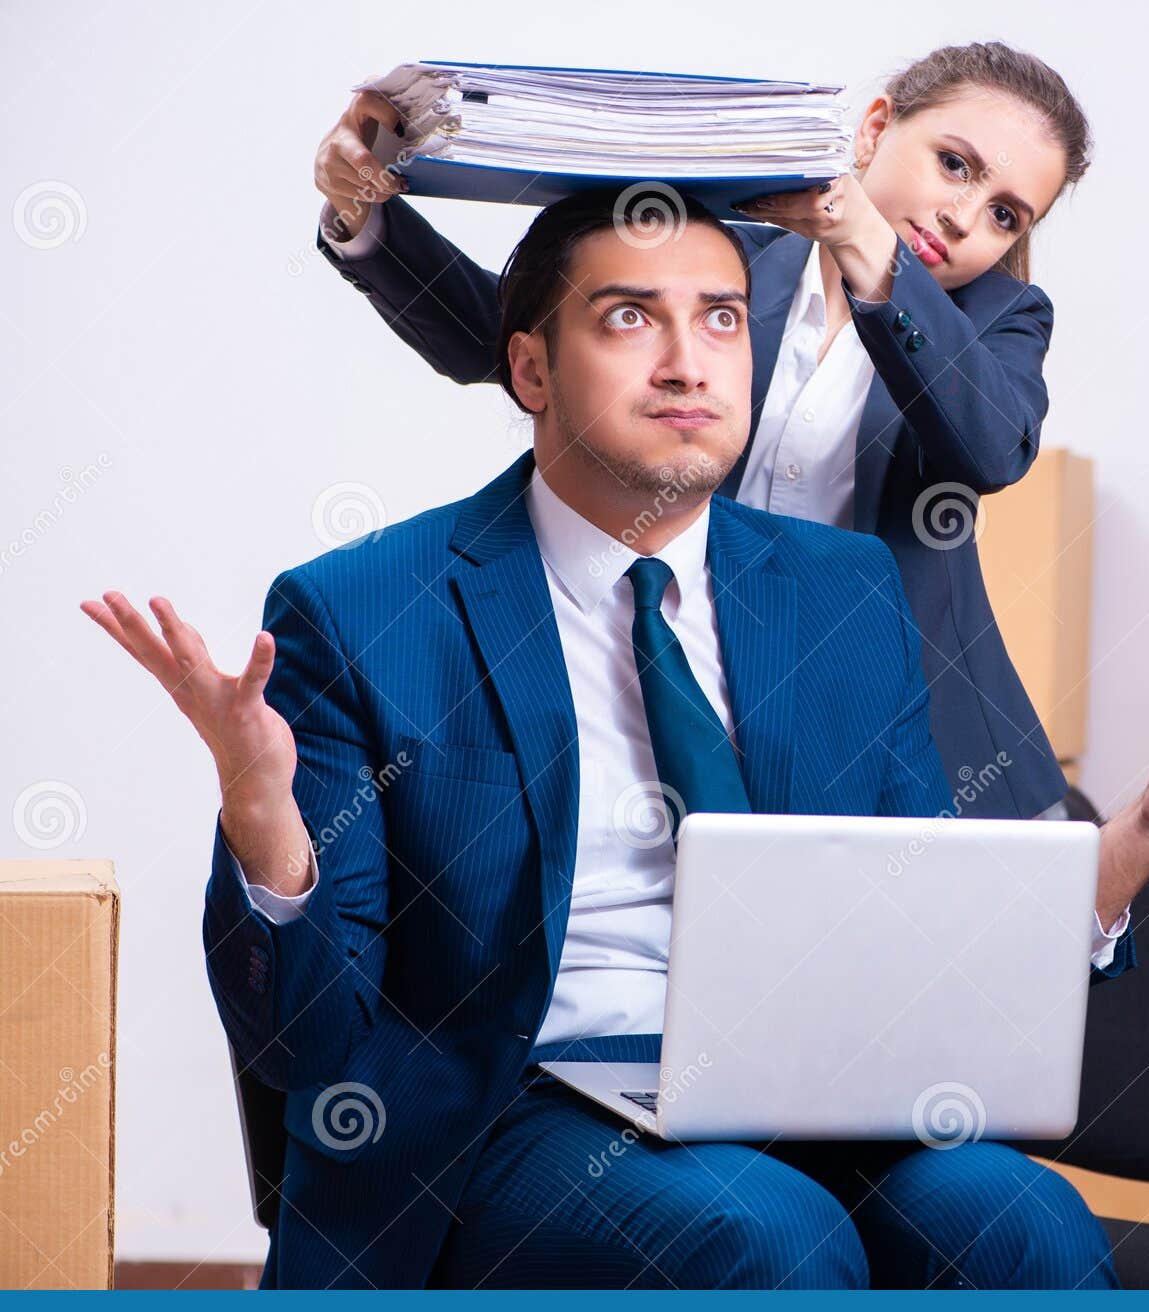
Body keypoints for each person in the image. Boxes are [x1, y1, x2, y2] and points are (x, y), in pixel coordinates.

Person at [83, 190, 1149, 1289]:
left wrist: (1148, 829)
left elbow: (930, 931)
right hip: (517, 1112)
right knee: (767, 1237)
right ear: (530, 369)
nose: (689, 363)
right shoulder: (363, 610)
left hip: (805, 1094)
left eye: (721, 320)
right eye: (630, 317)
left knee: (1019, 1224)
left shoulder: (839, 591)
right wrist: (262, 808)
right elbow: (303, 1042)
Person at [313, 41, 1105, 827]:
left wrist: (872, 247)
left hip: (921, 741)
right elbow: (513, 334)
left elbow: (992, 446)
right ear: (873, 128)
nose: (962, 218)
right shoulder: (724, 264)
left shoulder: (998, 319)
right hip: (713, 685)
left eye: (1005, 215)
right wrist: (367, 219)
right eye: (954, 165)